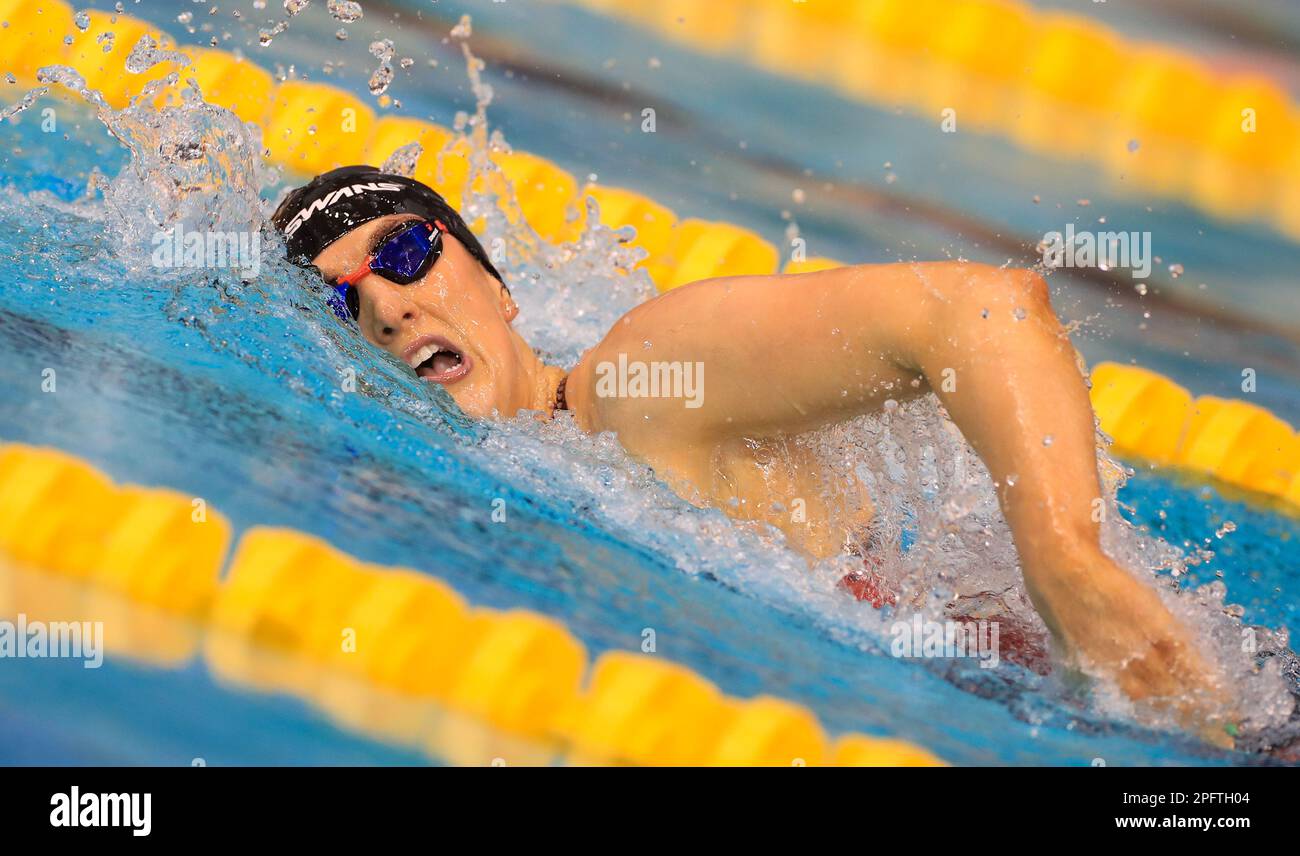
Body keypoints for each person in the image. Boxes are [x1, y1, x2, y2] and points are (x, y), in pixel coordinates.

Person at [272, 165, 1231, 744]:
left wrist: (1066, 556)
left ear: (497, 283)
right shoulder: (515, 480)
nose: (387, 306)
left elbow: (978, 307)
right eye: (339, 301)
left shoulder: (632, 390)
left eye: (402, 254)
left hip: (1178, 714)